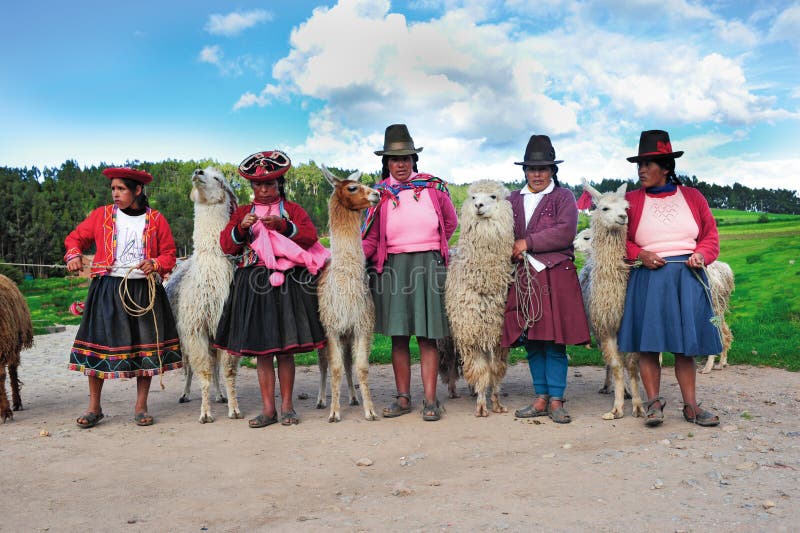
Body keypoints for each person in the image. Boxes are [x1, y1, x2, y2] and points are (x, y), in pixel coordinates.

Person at [214, 150, 328, 428]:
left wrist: (283, 226)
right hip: (252, 287)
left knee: (284, 349)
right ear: (252, 187)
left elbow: (309, 236)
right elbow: (227, 246)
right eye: (258, 185)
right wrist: (240, 228)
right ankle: (268, 409)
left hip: (286, 286)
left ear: (280, 185)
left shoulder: (292, 210)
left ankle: (287, 406)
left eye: (270, 184)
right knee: (263, 352)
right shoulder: (243, 212)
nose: (264, 189)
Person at [65, 167, 183, 428]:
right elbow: (76, 238)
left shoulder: (156, 220)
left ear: (137, 190)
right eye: (113, 189)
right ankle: (94, 407)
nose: (115, 194)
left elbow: (169, 254)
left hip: (144, 292)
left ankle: (141, 406)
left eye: (121, 189)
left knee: (145, 348)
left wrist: (156, 263)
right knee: (97, 347)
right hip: (107, 288)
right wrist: (73, 255)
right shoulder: (102, 216)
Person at [618, 130, 721, 427]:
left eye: (648, 164)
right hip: (649, 278)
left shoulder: (692, 197)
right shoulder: (631, 201)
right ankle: (654, 403)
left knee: (684, 347)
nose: (641, 170)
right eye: (639, 165)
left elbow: (710, 236)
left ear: (666, 168)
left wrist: (701, 254)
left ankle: (691, 406)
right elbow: (619, 240)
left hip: (686, 278)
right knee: (649, 344)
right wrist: (640, 254)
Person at [362, 124, 458, 421]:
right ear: (386, 163)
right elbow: (371, 237)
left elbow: (450, 223)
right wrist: (352, 259)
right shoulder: (378, 195)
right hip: (392, 268)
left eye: (406, 158)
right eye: (394, 159)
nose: (401, 164)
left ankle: (430, 400)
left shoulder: (434, 188)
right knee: (399, 337)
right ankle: (404, 398)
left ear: (414, 160)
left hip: (428, 266)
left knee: (428, 338)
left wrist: (433, 248)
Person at [502, 135, 590, 424]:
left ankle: (556, 399)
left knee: (554, 341)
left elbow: (564, 232)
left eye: (543, 168)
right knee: (534, 340)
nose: (537, 174)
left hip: (555, 276)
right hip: (525, 278)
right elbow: (502, 232)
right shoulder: (512, 200)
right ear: (524, 171)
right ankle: (540, 397)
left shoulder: (563, 197)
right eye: (531, 168)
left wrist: (526, 242)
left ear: (553, 170)